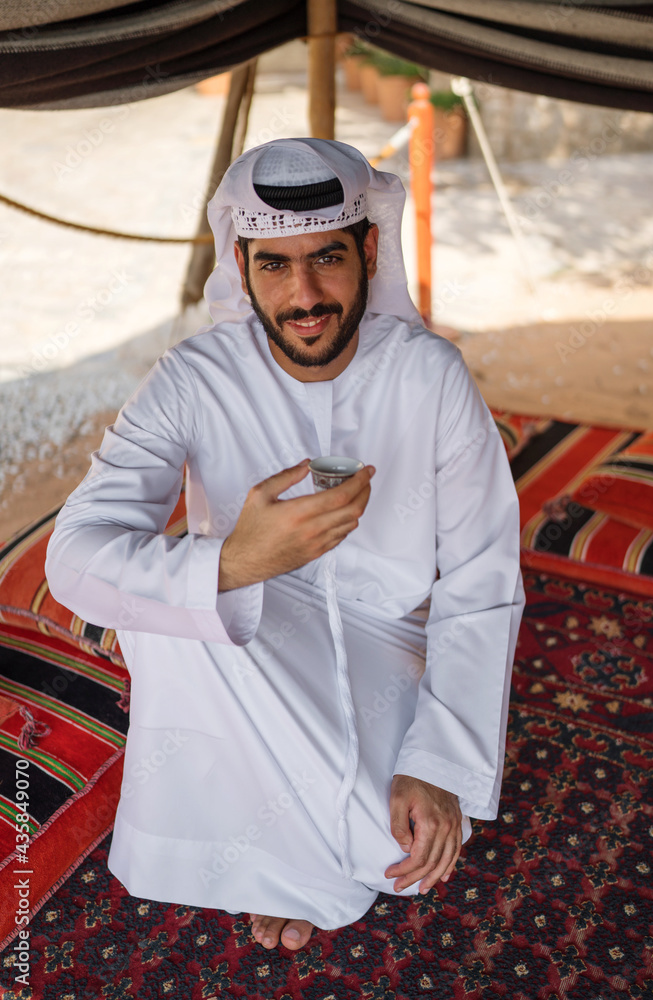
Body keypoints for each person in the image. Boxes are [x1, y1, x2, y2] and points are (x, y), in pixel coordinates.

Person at [45, 138, 525, 952]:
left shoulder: (428, 376)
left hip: (388, 644)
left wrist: (440, 762)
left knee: (398, 850)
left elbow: (482, 580)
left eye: (327, 258)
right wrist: (236, 564)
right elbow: (74, 559)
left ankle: (287, 854)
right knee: (175, 613)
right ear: (242, 264)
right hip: (242, 636)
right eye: (273, 266)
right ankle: (297, 860)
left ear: (368, 249)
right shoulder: (193, 378)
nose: (303, 295)